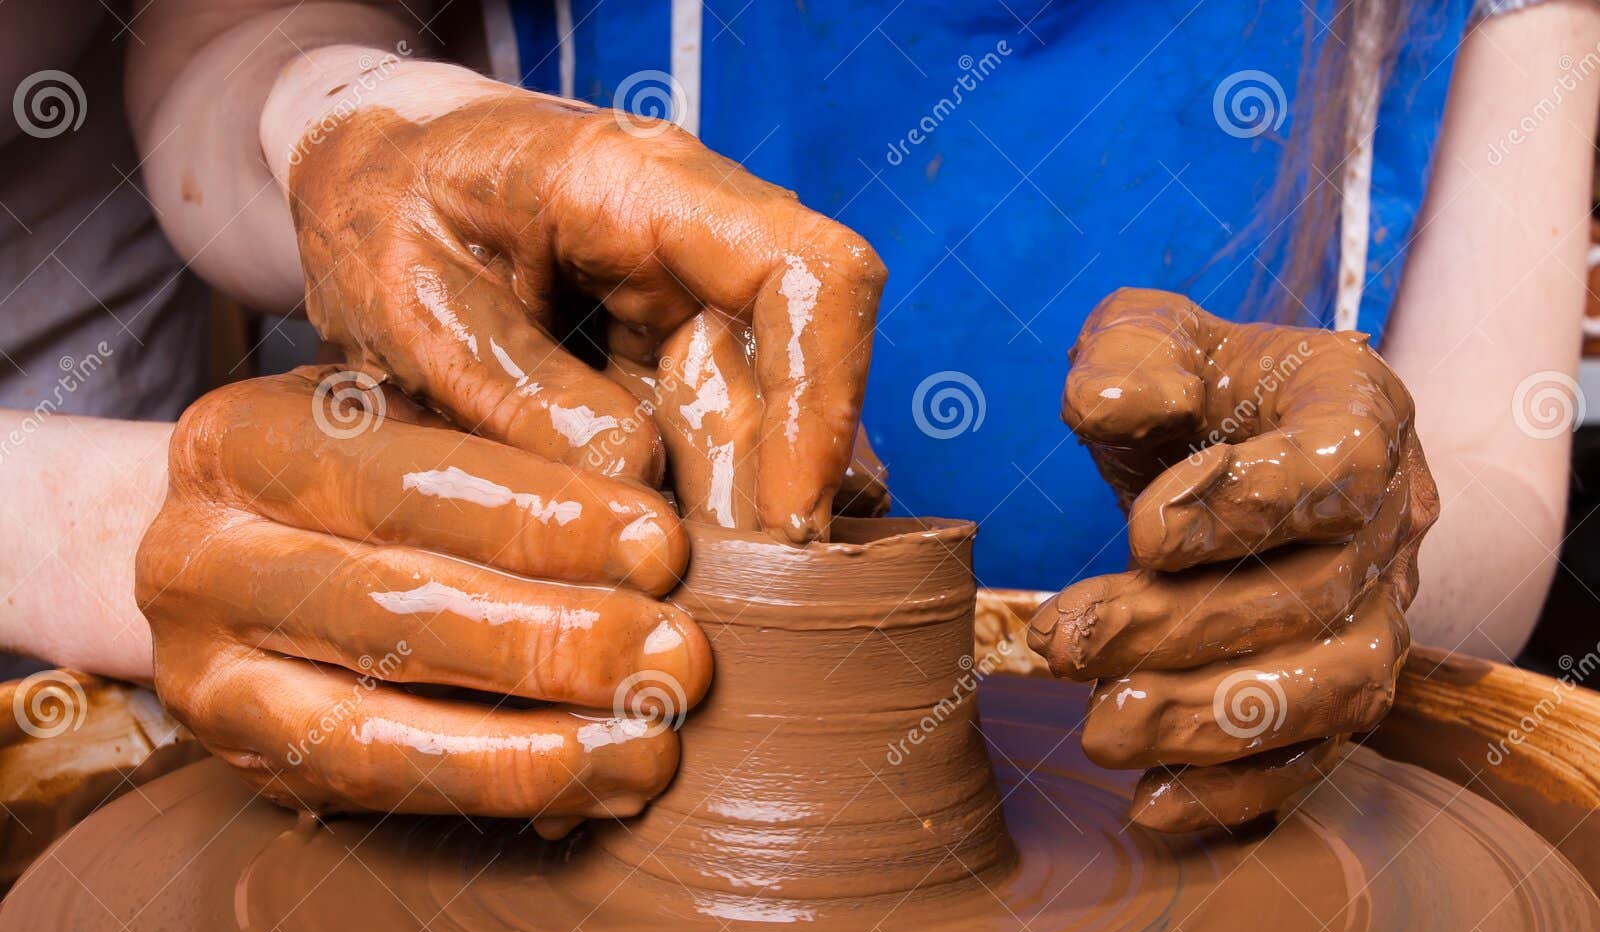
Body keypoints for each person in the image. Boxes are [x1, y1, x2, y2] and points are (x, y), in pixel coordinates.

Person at [0, 0, 1594, 827]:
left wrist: (1364, 550)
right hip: (614, 814)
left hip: (1181, 850)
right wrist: (353, 124)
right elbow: (220, 55)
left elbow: (1500, 489)